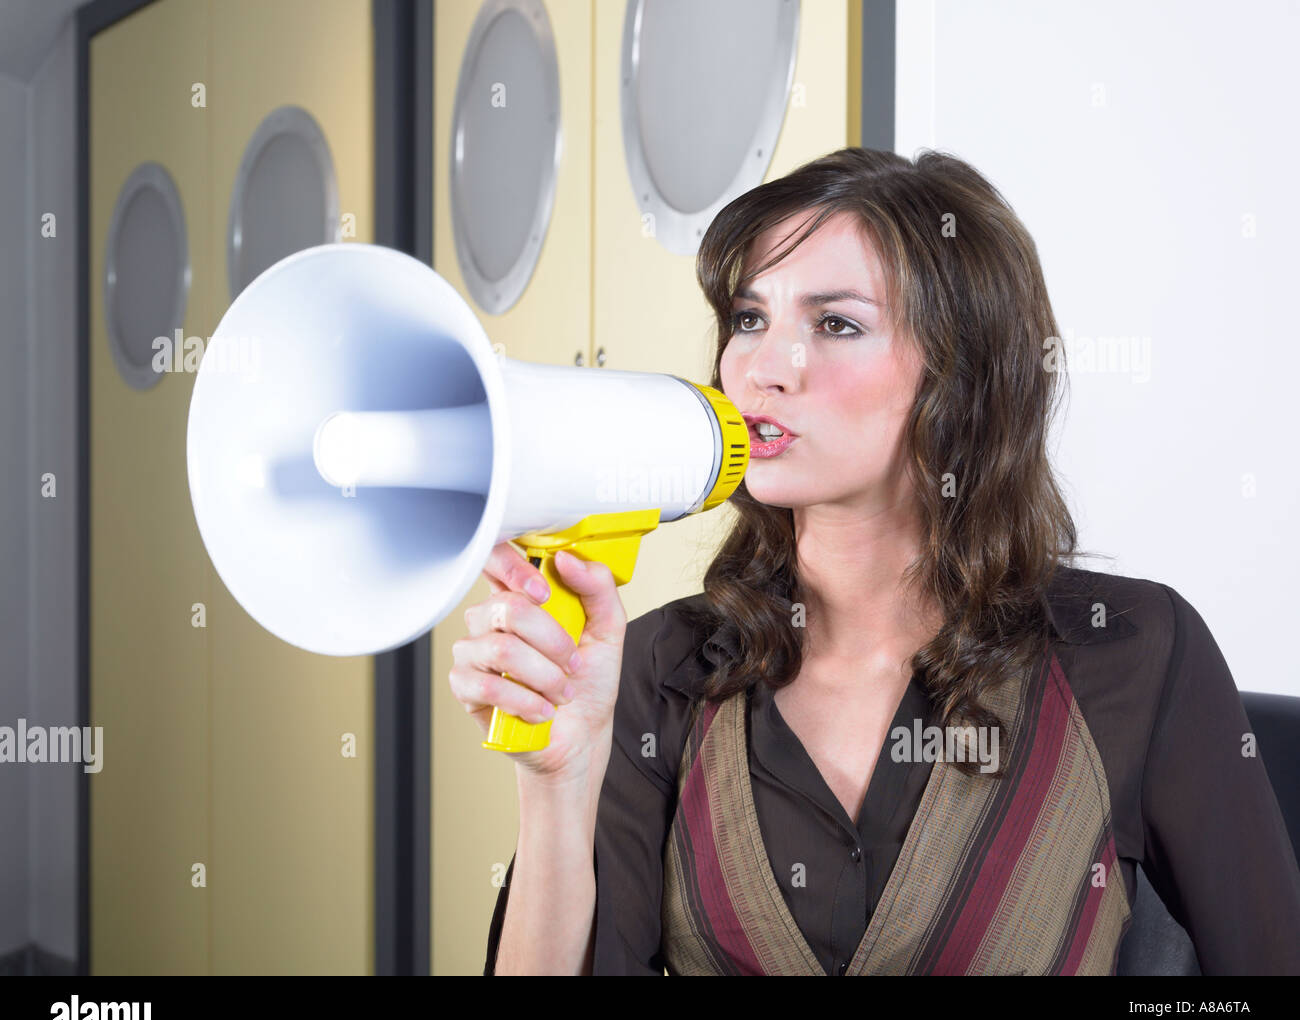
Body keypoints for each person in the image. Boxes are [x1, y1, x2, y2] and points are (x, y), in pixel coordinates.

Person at [450, 146, 1300, 975]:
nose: (761, 370)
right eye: (750, 318)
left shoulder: (1134, 654)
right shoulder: (658, 670)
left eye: (836, 323)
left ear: (962, 377)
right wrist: (557, 783)